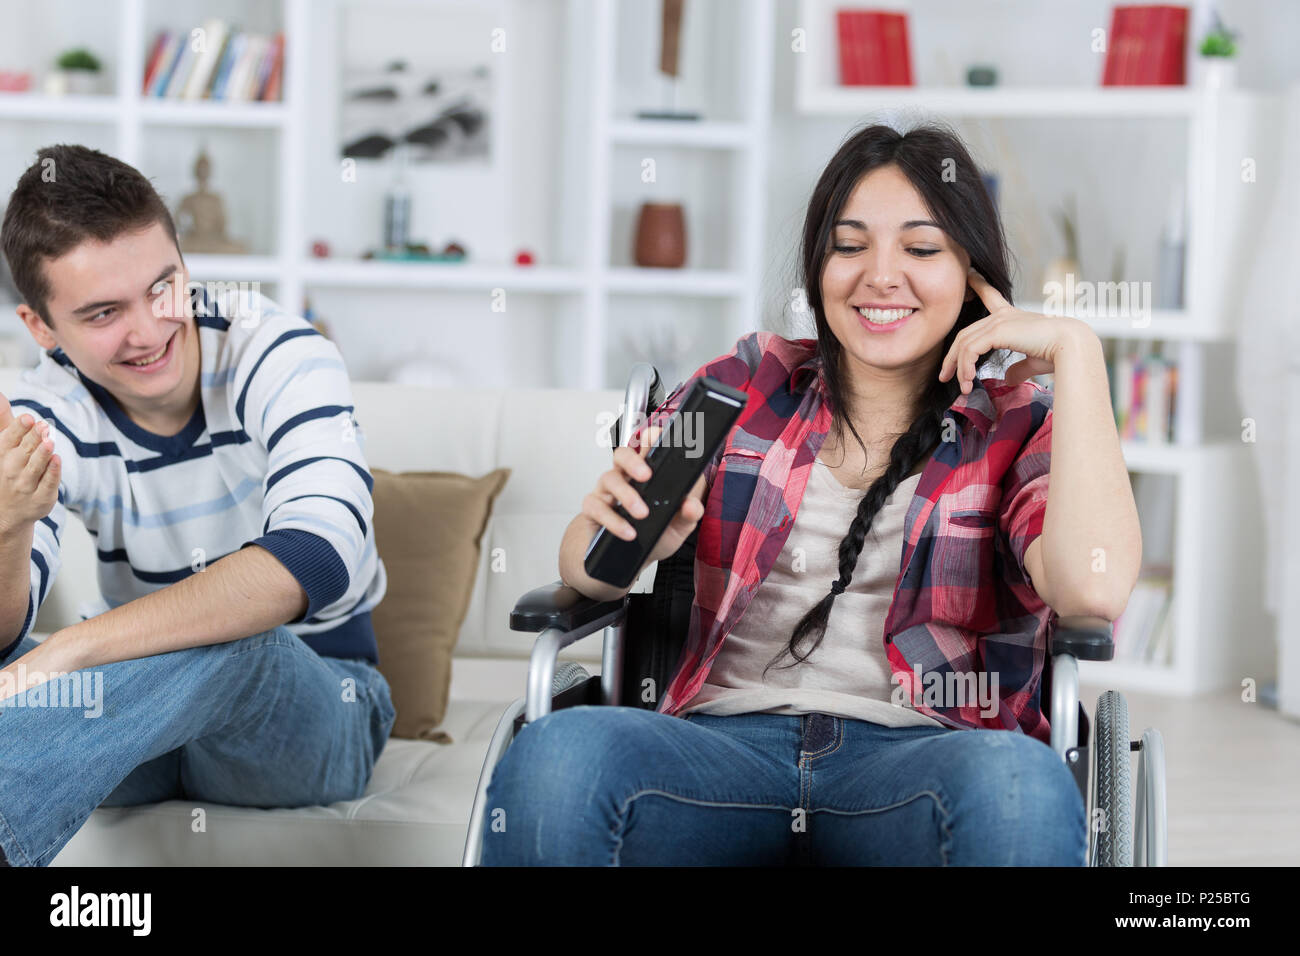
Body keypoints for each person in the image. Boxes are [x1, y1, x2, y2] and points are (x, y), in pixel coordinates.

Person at [480, 122, 1142, 866]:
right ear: (818, 264)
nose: (880, 276)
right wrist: (623, 538)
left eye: (921, 249)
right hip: (714, 748)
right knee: (560, 756)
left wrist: (1078, 356)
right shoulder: (747, 381)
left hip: (924, 753)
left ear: (972, 274)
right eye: (850, 245)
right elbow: (589, 567)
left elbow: (1093, 587)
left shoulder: (1018, 424)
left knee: (1020, 783)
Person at [0, 145, 395, 866]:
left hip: (312, 704)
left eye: (163, 287)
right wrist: (7, 528)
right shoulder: (43, 410)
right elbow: (5, 638)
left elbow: (316, 556)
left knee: (239, 643)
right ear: (42, 330)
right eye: (102, 313)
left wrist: (76, 646)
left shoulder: (275, 350)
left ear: (184, 263)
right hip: (144, 713)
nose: (149, 331)